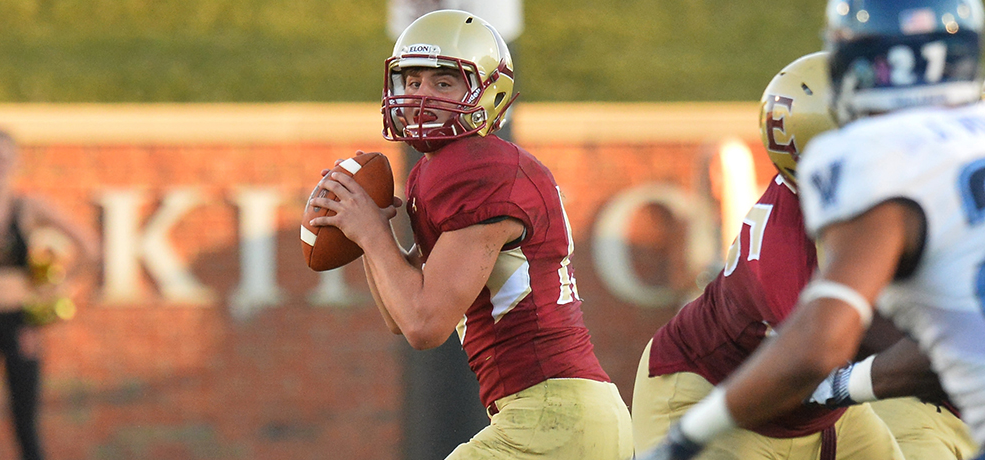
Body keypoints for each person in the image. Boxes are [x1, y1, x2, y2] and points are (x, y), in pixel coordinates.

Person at [635, 0, 985, 459]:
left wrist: (688, 438)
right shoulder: (787, 247)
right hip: (715, 383)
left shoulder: (871, 165)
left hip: (795, 396)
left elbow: (823, 349)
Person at [309, 9, 633, 460]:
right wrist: (371, 232)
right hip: (563, 418)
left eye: (443, 83)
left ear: (488, 93)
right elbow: (400, 316)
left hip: (549, 418)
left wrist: (370, 232)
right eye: (413, 81)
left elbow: (425, 325)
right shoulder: (442, 170)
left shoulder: (477, 168)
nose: (422, 96)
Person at [632, 52, 904, 460]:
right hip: (711, 394)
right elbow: (827, 354)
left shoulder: (842, 198)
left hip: (811, 407)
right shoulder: (783, 252)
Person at [0, 130, 99, 460]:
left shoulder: (29, 208)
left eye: (3, 156)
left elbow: (88, 245)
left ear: (15, 161)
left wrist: (62, 285)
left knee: (25, 425)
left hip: (19, 323)